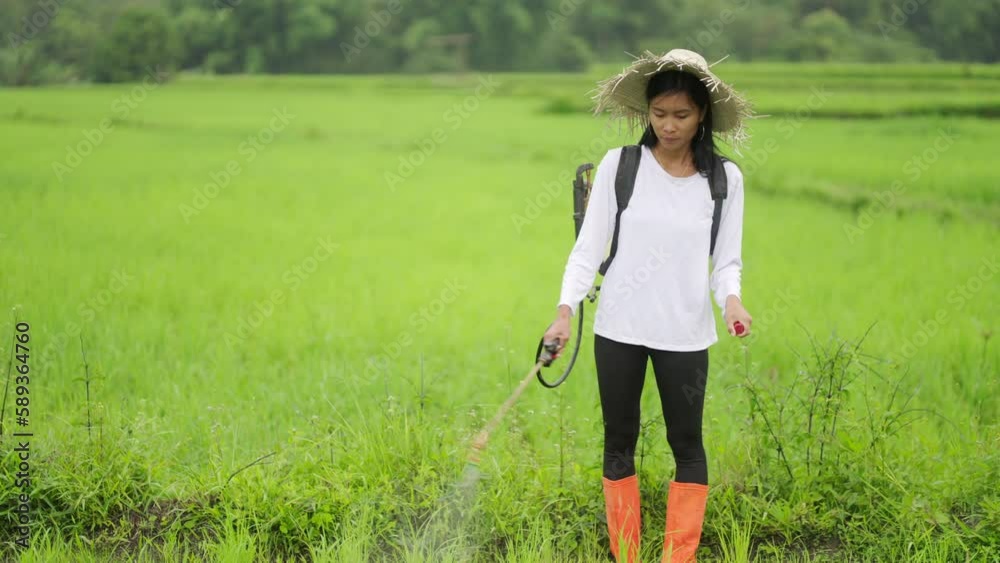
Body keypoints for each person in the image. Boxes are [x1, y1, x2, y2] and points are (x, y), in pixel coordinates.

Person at [543, 49, 755, 563]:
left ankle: (677, 557)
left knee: (687, 442)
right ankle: (627, 554)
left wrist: (732, 303)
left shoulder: (723, 181)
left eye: (681, 115)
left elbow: (725, 262)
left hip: (685, 333)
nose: (669, 125)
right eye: (659, 114)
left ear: (702, 114)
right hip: (619, 328)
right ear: (647, 113)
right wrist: (564, 312)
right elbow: (588, 249)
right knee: (619, 440)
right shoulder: (623, 166)